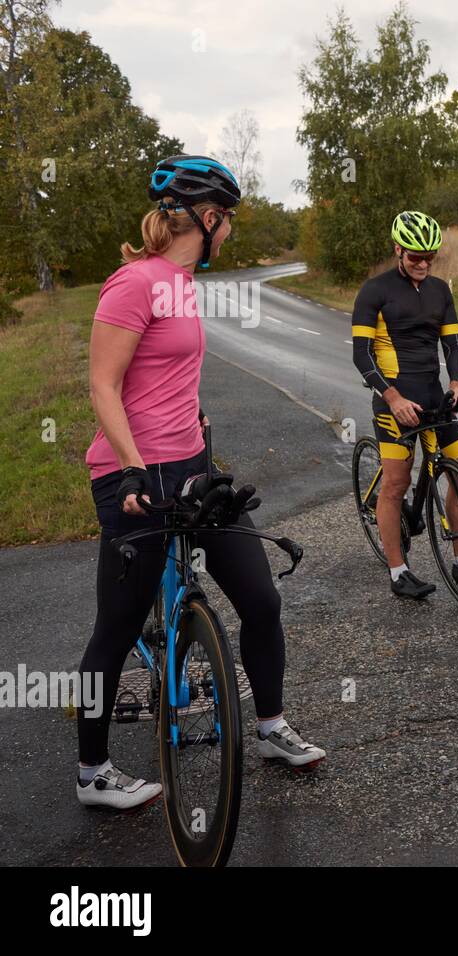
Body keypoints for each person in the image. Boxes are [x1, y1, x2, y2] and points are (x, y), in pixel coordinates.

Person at [79, 155, 324, 810]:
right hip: (131, 473)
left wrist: (193, 417)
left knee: (261, 598)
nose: (231, 234)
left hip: (189, 466)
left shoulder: (181, 284)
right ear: (210, 219)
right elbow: (103, 384)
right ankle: (93, 773)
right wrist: (133, 465)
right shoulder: (133, 283)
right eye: (230, 223)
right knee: (117, 623)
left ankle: (270, 725)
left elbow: (163, 375)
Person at [351, 211, 458, 600]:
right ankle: (398, 572)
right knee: (397, 481)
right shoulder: (374, 291)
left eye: (430, 256)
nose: (424, 263)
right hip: (394, 401)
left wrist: (457, 382)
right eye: (415, 256)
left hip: (433, 397)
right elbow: (362, 355)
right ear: (398, 249)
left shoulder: (439, 290)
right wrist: (391, 397)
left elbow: (453, 343)